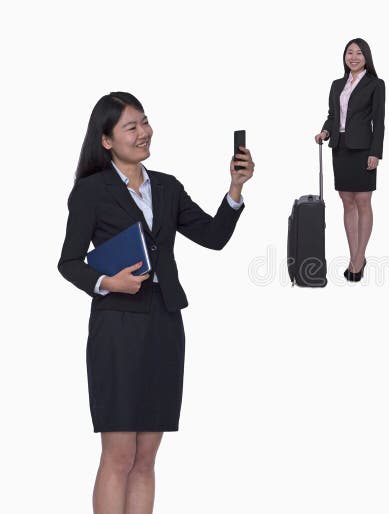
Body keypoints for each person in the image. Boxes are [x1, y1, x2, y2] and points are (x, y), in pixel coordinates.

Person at [57, 92, 254, 514]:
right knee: (119, 456)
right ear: (106, 140)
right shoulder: (91, 192)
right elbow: (68, 262)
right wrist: (108, 281)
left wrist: (235, 189)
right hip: (117, 327)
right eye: (131, 126)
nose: (143, 132)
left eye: (144, 122)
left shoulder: (166, 186)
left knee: (146, 459)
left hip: (164, 322)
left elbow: (215, 236)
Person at [314, 37, 385, 282]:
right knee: (347, 202)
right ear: (344, 57)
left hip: (364, 148)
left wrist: (376, 153)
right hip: (341, 148)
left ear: (366, 57)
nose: (353, 57)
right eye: (349, 53)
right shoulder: (337, 84)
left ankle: (358, 259)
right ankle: (355, 255)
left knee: (363, 201)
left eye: (358, 53)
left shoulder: (376, 84)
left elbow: (379, 121)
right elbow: (333, 115)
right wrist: (325, 131)